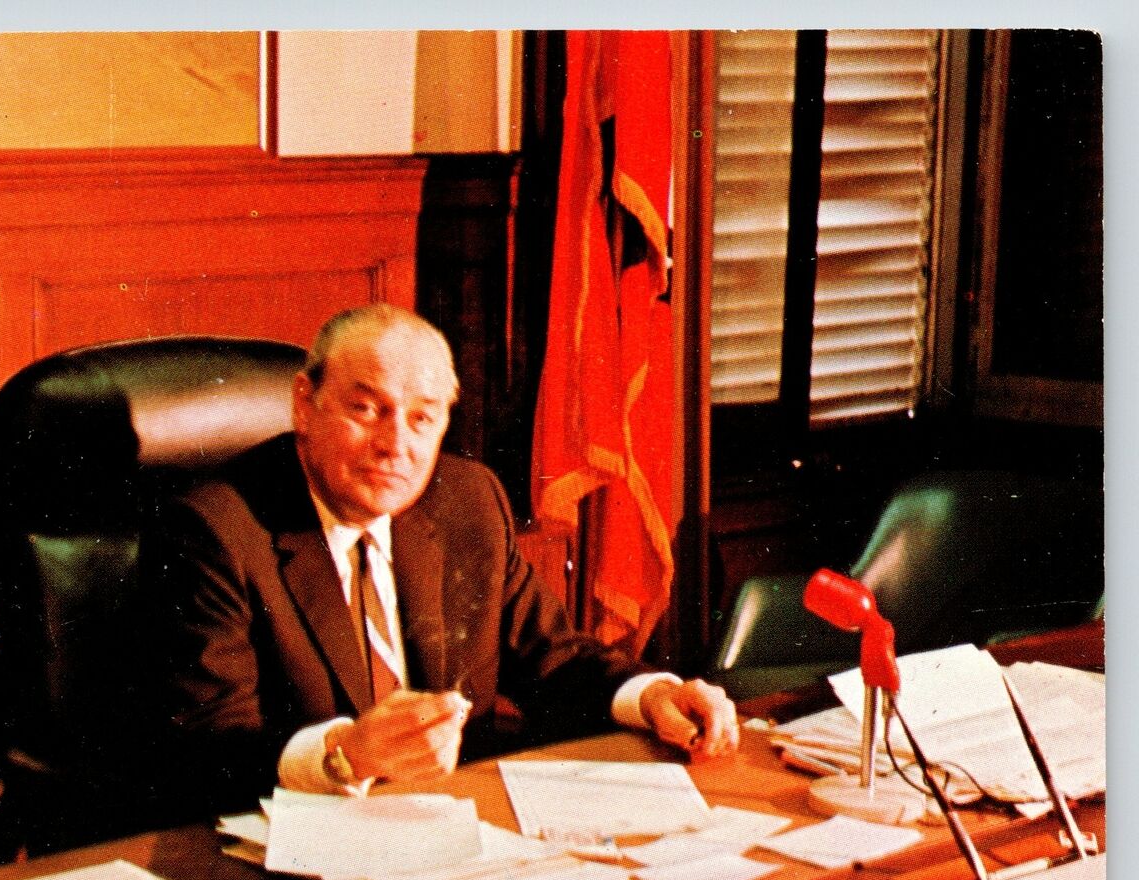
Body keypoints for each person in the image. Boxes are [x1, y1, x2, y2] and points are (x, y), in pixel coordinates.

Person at [140, 304, 737, 809]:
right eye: (366, 409)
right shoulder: (214, 529)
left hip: (447, 828)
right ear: (305, 402)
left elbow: (553, 658)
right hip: (286, 845)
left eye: (422, 418)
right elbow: (207, 749)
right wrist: (343, 755)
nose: (395, 444)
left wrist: (653, 695)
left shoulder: (467, 501)